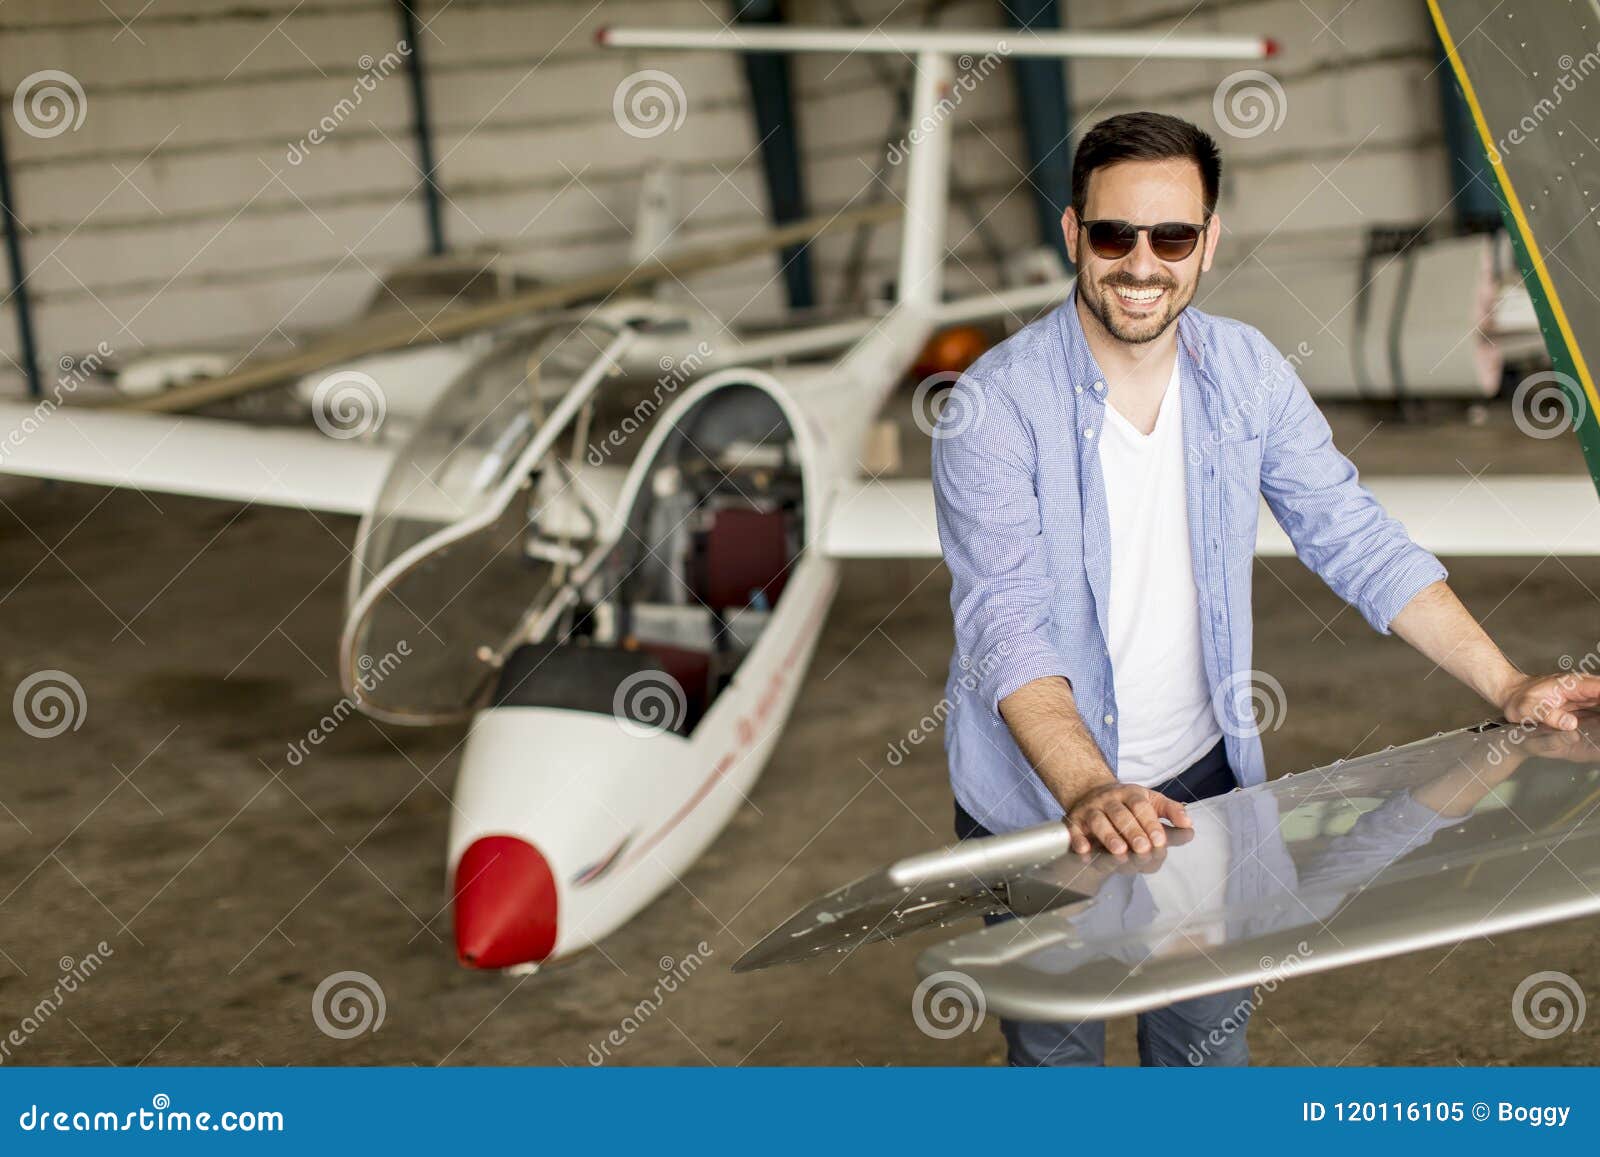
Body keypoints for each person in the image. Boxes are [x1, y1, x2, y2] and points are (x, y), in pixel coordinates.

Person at [929, 110, 1600, 1067]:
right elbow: (1006, 620)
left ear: (1208, 244)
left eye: (1173, 236)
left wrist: (1507, 686)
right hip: (1043, 805)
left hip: (1208, 786)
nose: (1142, 263)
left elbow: (1355, 535)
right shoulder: (993, 408)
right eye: (1115, 234)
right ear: (1073, 233)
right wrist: (1089, 786)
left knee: (1205, 1045)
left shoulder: (1246, 370)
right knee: (1056, 1057)